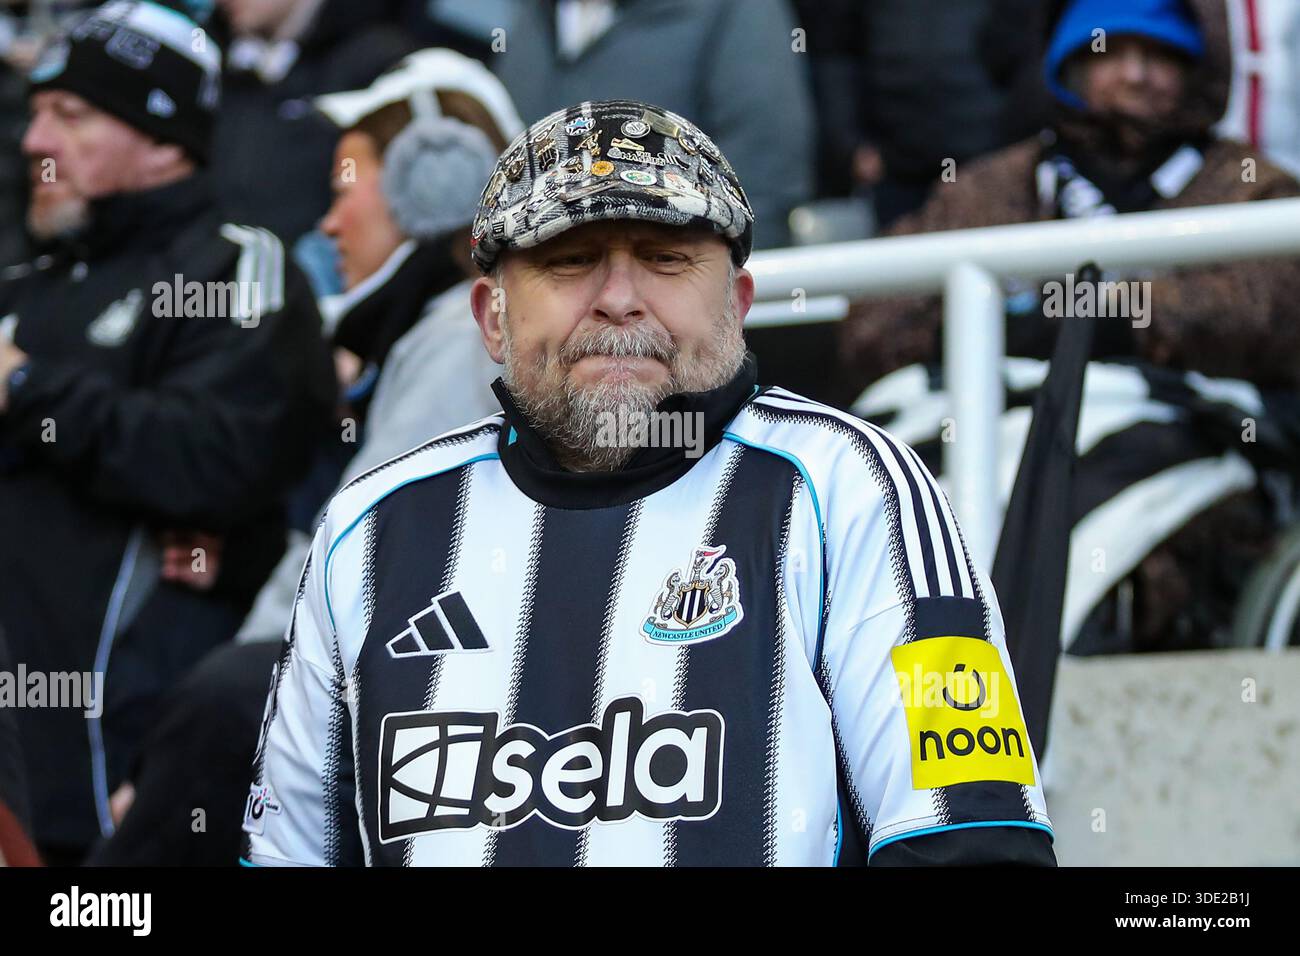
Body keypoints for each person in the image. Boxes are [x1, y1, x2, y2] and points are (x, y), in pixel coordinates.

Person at [242, 99, 1056, 867]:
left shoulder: (854, 491)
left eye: (667, 258)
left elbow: (976, 846)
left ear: (737, 303)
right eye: (569, 261)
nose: (621, 300)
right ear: (491, 316)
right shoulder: (370, 533)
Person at [87, 52, 519, 865]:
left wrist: (203, 731)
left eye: (344, 188)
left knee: (229, 697)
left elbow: (345, 558)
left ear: (433, 192)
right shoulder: (430, 340)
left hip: (390, 703)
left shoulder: (457, 343)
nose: (326, 224)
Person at [836, 0, 1300, 651]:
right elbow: (873, 317)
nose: (1139, 75)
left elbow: (1271, 307)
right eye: (1115, 53)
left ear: (1199, 72)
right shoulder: (995, 187)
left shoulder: (1249, 188)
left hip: (1181, 441)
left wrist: (1106, 325)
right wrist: (985, 330)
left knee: (1121, 536)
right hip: (983, 425)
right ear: (1069, 64)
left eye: (1161, 57)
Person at [0, 0, 334, 862]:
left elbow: (222, 456)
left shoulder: (234, 263)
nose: (35, 140)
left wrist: (28, 390)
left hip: (106, 759)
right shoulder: (25, 278)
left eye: (71, 116)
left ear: (162, 138)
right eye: (36, 111)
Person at [492, 0, 814, 250]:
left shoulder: (732, 10)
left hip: (674, 303)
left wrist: (695, 280)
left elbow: (763, 177)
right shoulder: (531, 18)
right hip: (541, 293)